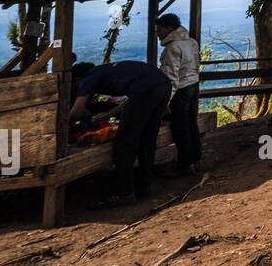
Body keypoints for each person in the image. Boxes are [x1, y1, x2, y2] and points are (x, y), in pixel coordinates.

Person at [70, 60, 172, 207]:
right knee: (147, 138)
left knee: (124, 143)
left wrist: (65, 130)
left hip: (147, 88)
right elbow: (135, 97)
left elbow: (77, 111)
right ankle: (144, 185)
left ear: (77, 79)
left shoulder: (87, 78)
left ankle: (125, 193)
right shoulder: (107, 70)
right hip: (163, 84)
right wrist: (108, 114)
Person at [156, 12, 201, 176]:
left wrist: (166, 101)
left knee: (180, 127)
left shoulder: (172, 47)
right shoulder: (191, 42)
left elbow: (171, 77)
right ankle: (195, 157)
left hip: (181, 89)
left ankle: (185, 164)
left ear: (168, 28)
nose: (158, 33)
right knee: (191, 123)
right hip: (194, 85)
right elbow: (197, 63)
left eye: (159, 29)